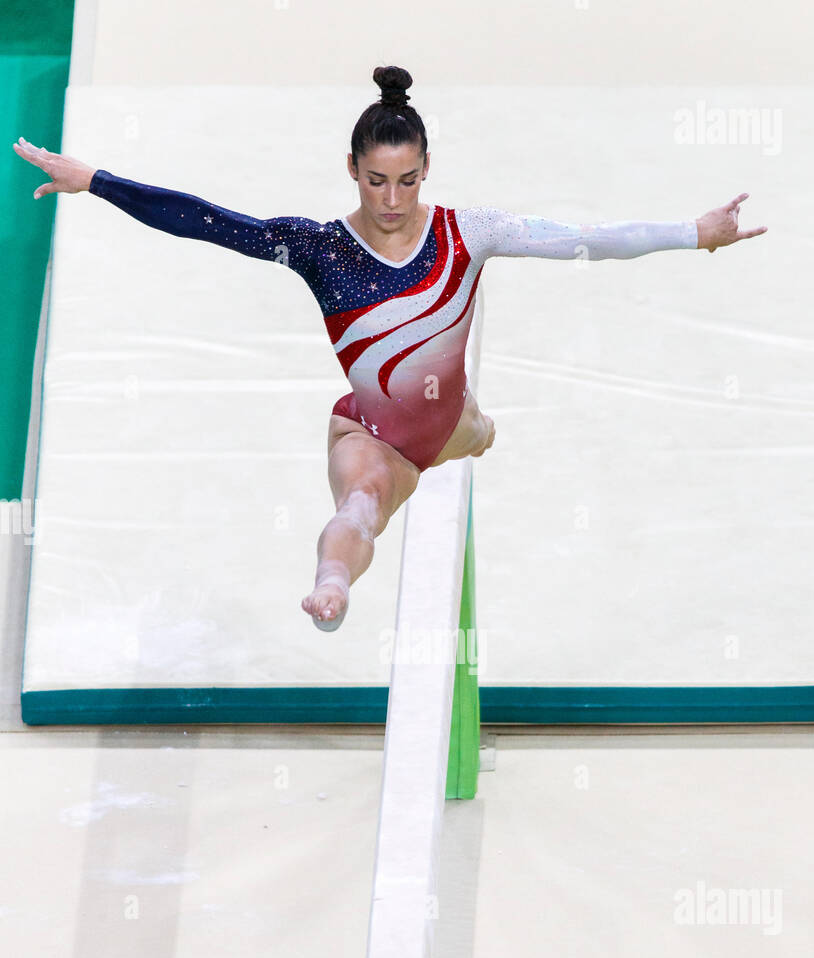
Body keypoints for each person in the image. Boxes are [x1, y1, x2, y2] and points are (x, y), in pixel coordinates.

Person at [13, 64, 767, 632]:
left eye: (408, 181)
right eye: (377, 181)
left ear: (426, 170)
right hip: (376, 435)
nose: (394, 201)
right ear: (353, 171)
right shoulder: (316, 248)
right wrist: (97, 181)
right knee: (363, 503)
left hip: (452, 417)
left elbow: (585, 240)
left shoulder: (467, 233)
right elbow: (208, 221)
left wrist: (693, 232)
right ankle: (332, 582)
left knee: (476, 433)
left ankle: (475, 428)